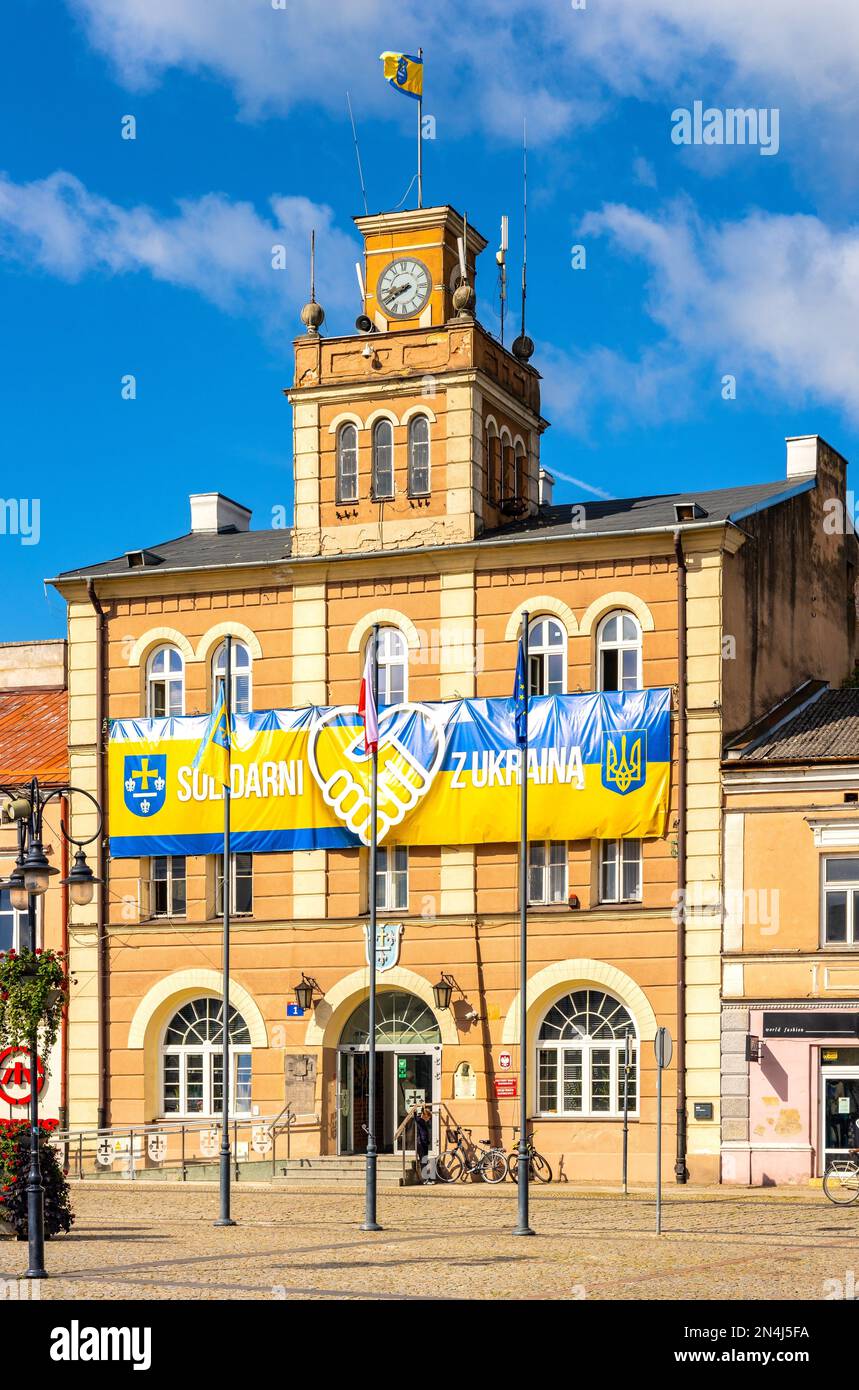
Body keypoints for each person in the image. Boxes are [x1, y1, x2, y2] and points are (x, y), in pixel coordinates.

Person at [414, 1104, 434, 1184]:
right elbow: (416, 1119)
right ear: (425, 1116)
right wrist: (415, 1111)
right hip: (421, 1143)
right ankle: (425, 1179)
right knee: (423, 1161)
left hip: (424, 1143)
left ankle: (426, 1179)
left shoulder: (423, 1121)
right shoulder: (420, 1121)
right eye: (429, 1117)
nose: (429, 1119)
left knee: (424, 1161)